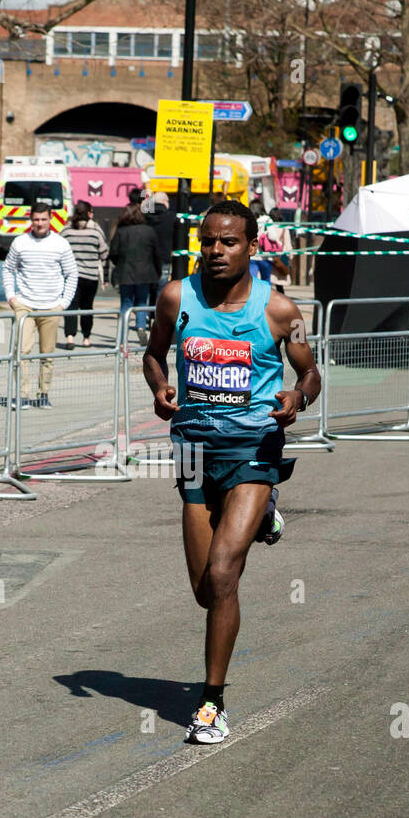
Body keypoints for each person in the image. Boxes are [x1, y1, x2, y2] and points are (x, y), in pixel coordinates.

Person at [142, 198, 321, 745]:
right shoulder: (177, 297)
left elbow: (310, 371)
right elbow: (152, 354)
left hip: (253, 447)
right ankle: (262, 516)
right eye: (208, 241)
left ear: (252, 246)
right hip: (194, 449)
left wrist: (297, 397)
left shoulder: (280, 311)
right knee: (205, 590)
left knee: (224, 574)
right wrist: (159, 387)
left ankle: (211, 703)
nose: (216, 251)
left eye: (229, 242)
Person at [2, 201, 78, 408]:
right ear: (31, 220)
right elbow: (8, 268)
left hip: (52, 306)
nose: (40, 223)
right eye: (36, 219)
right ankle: (23, 395)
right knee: (22, 352)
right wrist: (11, 297)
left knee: (47, 354)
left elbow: (72, 274)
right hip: (25, 305)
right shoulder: (20, 242)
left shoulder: (61, 244)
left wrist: (64, 303)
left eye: (44, 219)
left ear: (51, 219)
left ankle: (43, 393)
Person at [110, 199, 161, 346]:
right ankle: (140, 327)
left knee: (126, 303)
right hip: (145, 272)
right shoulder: (148, 231)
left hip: (125, 272)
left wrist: (118, 264)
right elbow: (156, 253)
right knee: (141, 301)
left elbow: (113, 252)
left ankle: (121, 338)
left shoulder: (121, 232)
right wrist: (156, 271)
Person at [60, 200, 108, 347]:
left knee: (71, 306)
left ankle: (69, 337)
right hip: (90, 277)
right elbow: (104, 252)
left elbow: (58, 248)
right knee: (87, 307)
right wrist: (105, 277)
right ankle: (86, 338)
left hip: (71, 277)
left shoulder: (67, 231)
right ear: (89, 213)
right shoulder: (96, 231)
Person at [142, 191, 176, 299]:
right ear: (165, 202)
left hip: (146, 259)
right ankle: (158, 314)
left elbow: (144, 202)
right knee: (161, 290)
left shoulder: (145, 217)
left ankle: (145, 314)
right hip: (164, 257)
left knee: (145, 290)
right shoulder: (171, 218)